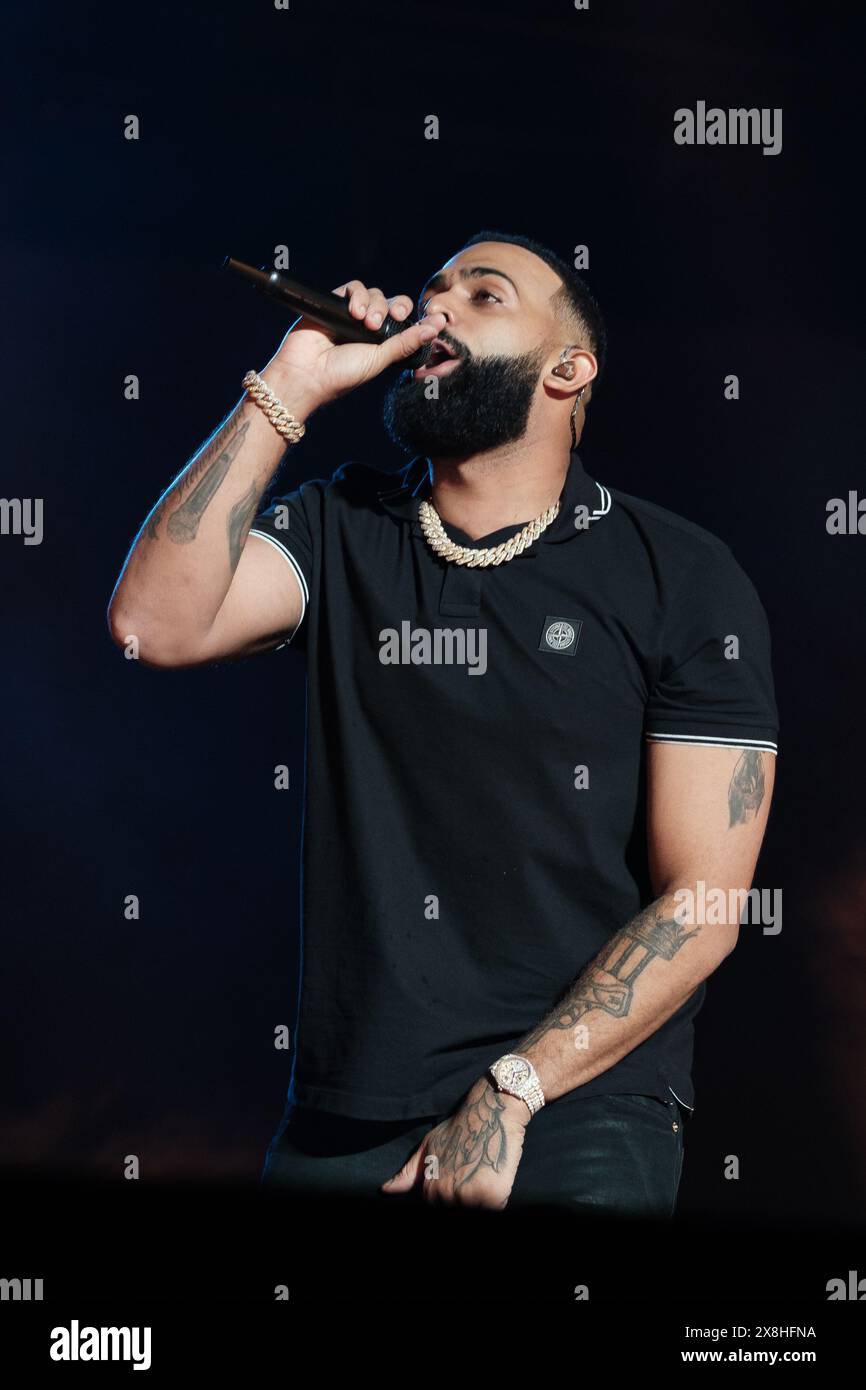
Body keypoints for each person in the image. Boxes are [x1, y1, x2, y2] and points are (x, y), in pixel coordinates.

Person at [107, 230, 778, 1218]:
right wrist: (289, 384)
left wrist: (511, 1092)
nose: (437, 307)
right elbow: (150, 628)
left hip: (579, 1100)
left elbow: (704, 904)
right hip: (347, 1106)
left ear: (568, 367)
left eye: (482, 294)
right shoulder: (344, 525)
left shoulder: (676, 574)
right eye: (431, 291)